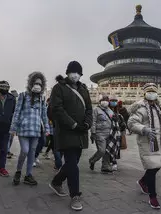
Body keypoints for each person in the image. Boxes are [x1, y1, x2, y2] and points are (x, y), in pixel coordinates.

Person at [48, 61, 93, 211]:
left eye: (78, 73)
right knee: (72, 164)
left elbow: (89, 109)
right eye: (73, 72)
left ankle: (56, 181)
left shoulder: (84, 89)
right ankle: (75, 195)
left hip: (81, 133)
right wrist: (73, 124)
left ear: (81, 74)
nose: (75, 75)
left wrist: (87, 124)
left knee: (72, 163)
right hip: (66, 132)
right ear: (67, 73)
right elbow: (57, 109)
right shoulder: (59, 88)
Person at [128, 83, 161, 210]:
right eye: (149, 91)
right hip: (147, 141)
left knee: (156, 167)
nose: (152, 93)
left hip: (159, 141)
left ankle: (142, 181)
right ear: (144, 93)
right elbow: (131, 123)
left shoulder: (158, 108)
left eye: (154, 91)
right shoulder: (141, 108)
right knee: (152, 168)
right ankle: (153, 196)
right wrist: (144, 129)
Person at [10, 72, 49, 186]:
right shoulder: (23, 95)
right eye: (36, 83)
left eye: (40, 84)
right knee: (25, 150)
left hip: (36, 130)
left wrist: (46, 128)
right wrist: (13, 128)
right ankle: (18, 171)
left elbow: (44, 115)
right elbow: (17, 112)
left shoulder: (42, 98)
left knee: (32, 152)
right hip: (24, 129)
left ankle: (28, 175)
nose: (38, 85)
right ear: (31, 83)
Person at [89, 94, 115, 173]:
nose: (105, 102)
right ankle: (92, 160)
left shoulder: (110, 110)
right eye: (103, 100)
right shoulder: (96, 110)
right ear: (100, 101)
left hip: (109, 133)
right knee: (101, 151)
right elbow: (93, 122)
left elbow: (113, 120)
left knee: (107, 151)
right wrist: (93, 133)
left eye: (107, 100)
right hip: (99, 133)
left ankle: (105, 166)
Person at [108, 95, 126, 171]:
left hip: (117, 134)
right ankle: (109, 162)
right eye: (112, 101)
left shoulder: (119, 114)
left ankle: (114, 162)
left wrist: (123, 134)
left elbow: (123, 125)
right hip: (108, 133)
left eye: (115, 101)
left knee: (116, 148)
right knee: (109, 148)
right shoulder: (106, 112)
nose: (114, 102)